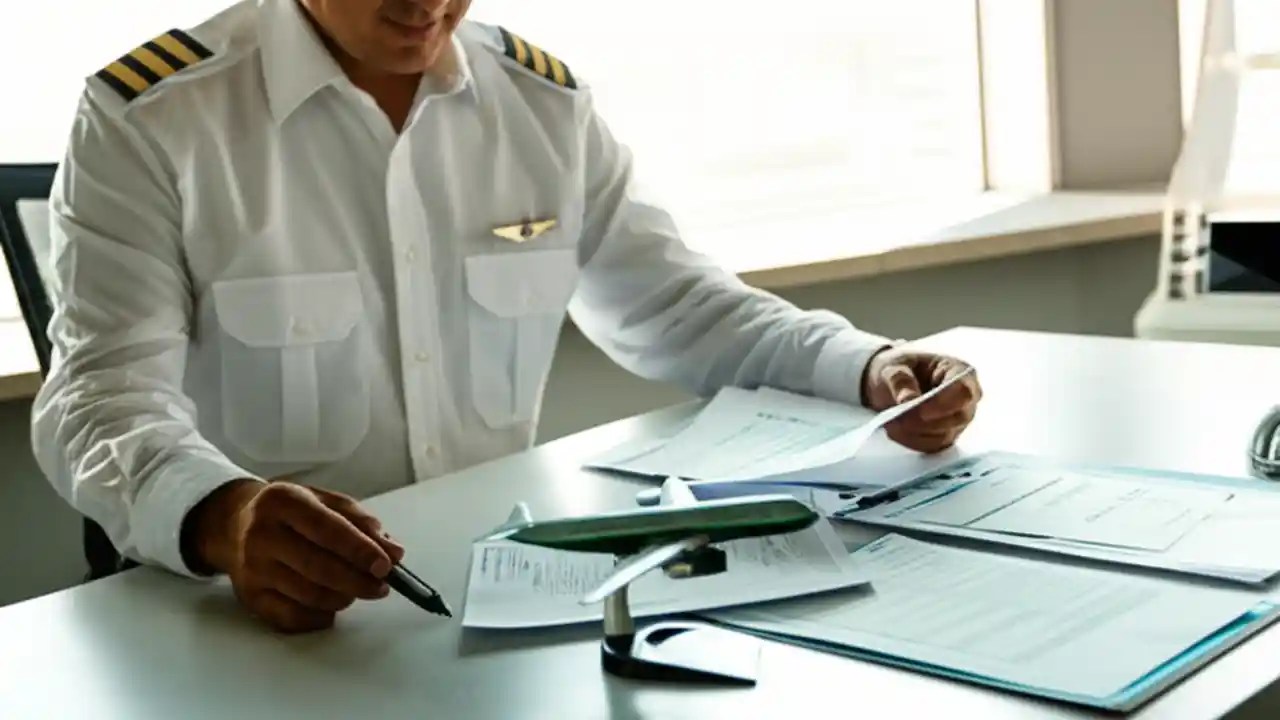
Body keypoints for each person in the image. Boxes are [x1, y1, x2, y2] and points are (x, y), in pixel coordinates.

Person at [32, 0, 983, 633]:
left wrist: (863, 364)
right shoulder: (152, 115)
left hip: (496, 607)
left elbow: (677, 300)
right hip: (245, 626)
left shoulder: (542, 102)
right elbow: (101, 401)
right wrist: (220, 513)